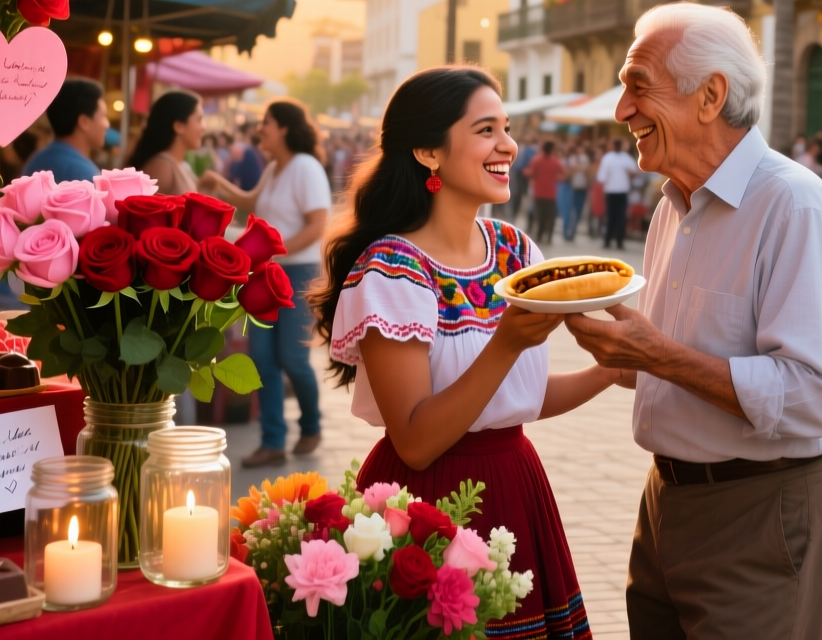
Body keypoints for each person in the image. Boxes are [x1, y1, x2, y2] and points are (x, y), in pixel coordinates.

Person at [562, 4, 822, 640]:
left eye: (638, 86)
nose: (622, 111)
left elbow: (812, 398)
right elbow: (679, 363)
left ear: (710, 95)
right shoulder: (674, 204)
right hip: (667, 500)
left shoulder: (792, 204)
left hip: (762, 510)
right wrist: (618, 351)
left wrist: (654, 354)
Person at [311, 66, 616, 640]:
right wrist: (505, 343)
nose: (508, 145)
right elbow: (418, 441)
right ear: (429, 152)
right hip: (425, 506)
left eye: (506, 127)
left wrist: (612, 370)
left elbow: (519, 398)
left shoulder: (514, 249)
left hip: (518, 482)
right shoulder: (392, 270)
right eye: (485, 130)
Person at [203, 99, 331, 463]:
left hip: (298, 274)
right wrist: (216, 182)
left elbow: (317, 227)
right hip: (267, 272)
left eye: (267, 122)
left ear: (286, 128)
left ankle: (311, 426)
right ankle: (273, 441)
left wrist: (272, 252)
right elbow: (251, 200)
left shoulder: (306, 167)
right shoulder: (276, 166)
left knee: (292, 358)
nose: (261, 129)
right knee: (261, 357)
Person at [25, 77, 108, 182]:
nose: (107, 125)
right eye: (104, 116)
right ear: (84, 122)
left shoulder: (36, 160)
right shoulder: (82, 173)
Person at [126, 90, 204, 195]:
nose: (204, 127)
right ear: (179, 126)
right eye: (199, 120)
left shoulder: (179, 164)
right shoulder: (162, 166)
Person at [523, 140, 565, 247]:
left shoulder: (536, 160)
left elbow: (531, 173)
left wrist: (525, 172)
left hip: (538, 192)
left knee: (540, 216)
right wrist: (556, 178)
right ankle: (549, 238)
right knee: (551, 216)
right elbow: (564, 174)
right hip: (551, 193)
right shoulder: (556, 162)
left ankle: (539, 236)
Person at [597, 137, 637, 250]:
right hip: (616, 191)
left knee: (615, 217)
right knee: (616, 217)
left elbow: (601, 178)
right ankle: (614, 241)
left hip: (616, 191)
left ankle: (611, 240)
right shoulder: (625, 159)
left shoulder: (609, 158)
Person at [564, 142, 592, 242]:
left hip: (581, 188)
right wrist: (581, 168)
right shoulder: (573, 158)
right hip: (572, 187)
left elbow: (587, 170)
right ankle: (567, 232)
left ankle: (572, 232)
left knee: (578, 212)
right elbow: (571, 170)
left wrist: (578, 168)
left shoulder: (584, 159)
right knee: (570, 211)